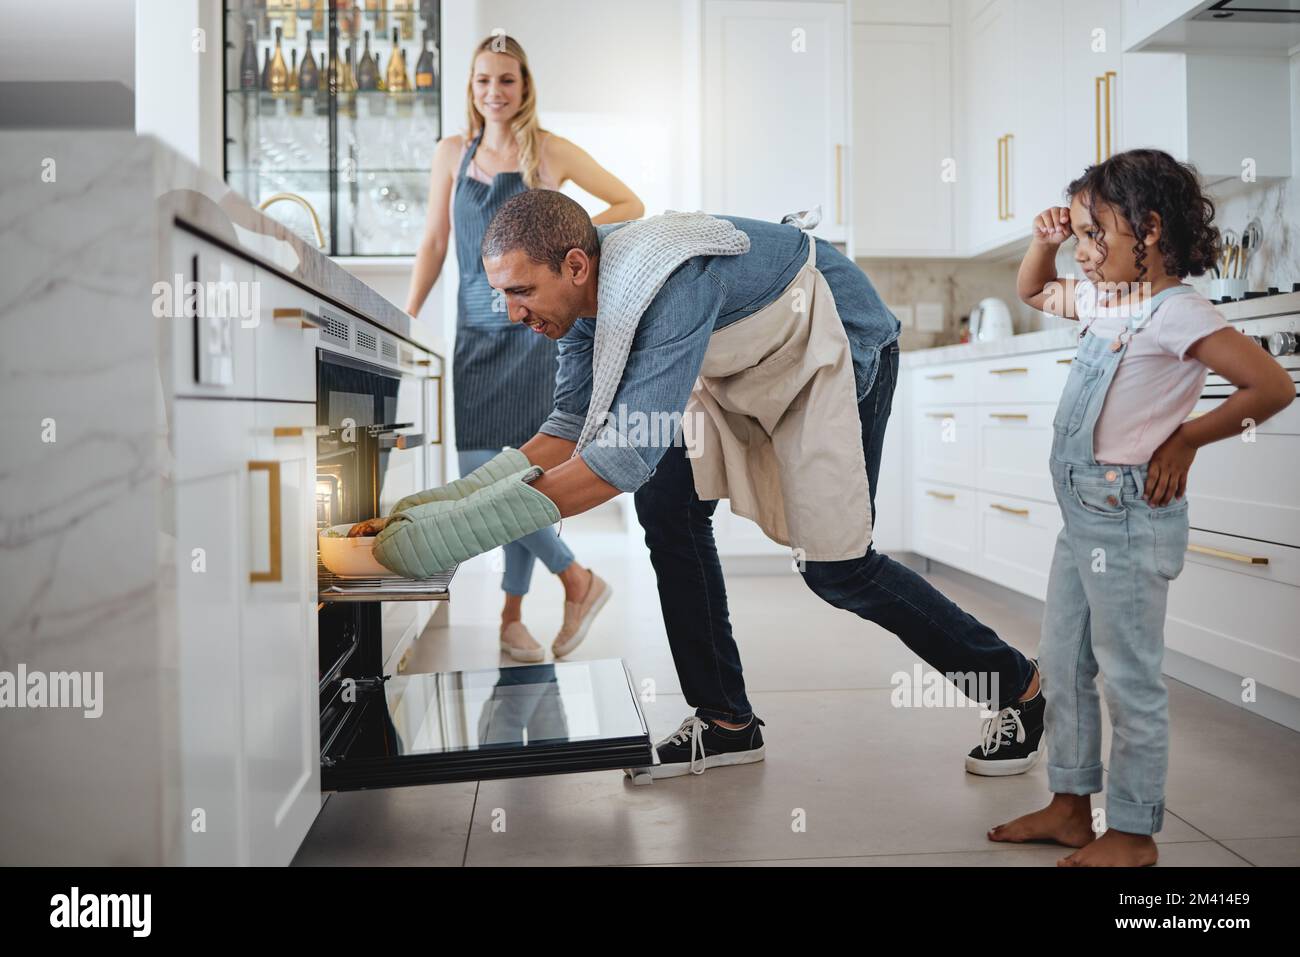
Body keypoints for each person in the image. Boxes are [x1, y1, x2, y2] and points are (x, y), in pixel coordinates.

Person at [373, 188, 1049, 781]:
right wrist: (436, 507)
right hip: (743, 360)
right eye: (503, 294)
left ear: (574, 265)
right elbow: (570, 425)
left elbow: (624, 454)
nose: (512, 313)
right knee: (666, 504)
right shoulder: (578, 305)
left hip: (835, 342)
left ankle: (1018, 686)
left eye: (521, 292)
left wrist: (453, 537)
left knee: (838, 569)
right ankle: (727, 722)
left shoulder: (670, 279)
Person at [990, 149, 1294, 866]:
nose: (1084, 252)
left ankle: (1133, 829)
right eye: (1082, 235)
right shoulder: (1108, 299)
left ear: (1149, 231)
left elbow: (1273, 386)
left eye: (1096, 234)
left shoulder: (1176, 310)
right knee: (1062, 663)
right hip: (1084, 517)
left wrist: (1186, 439)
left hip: (1127, 515)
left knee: (1128, 674)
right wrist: (1046, 238)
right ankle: (1070, 805)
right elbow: (1034, 291)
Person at [403, 34, 643, 662]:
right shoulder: (451, 154)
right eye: (483, 81)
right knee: (482, 469)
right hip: (476, 337)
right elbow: (433, 242)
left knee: (523, 471)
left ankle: (511, 619)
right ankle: (575, 578)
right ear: (471, 88)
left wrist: (576, 248)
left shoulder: (549, 153)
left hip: (536, 336)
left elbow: (629, 201)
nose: (494, 92)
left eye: (506, 80)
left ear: (524, 85)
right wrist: (406, 314)